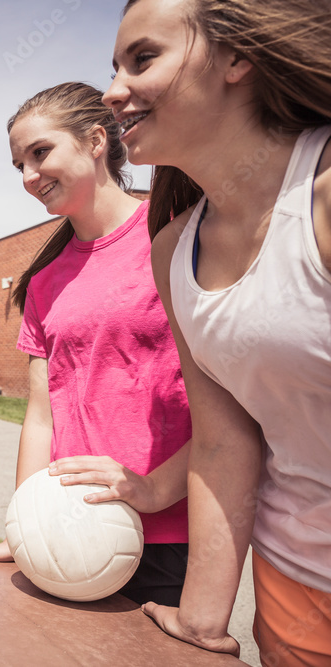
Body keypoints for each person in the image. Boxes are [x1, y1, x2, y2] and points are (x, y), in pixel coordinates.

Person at [103, 0, 331, 663]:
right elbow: (224, 441)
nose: (114, 91)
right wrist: (202, 616)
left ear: (237, 57)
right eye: (115, 66)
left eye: (142, 59)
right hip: (293, 593)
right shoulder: (172, 247)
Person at [0, 82, 193, 608]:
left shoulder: (177, 235)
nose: (28, 177)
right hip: (67, 528)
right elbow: (42, 415)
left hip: (167, 530)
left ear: (94, 140)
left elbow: (229, 403)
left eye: (40, 153)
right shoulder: (42, 280)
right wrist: (27, 526)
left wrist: (156, 489)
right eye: (19, 165)